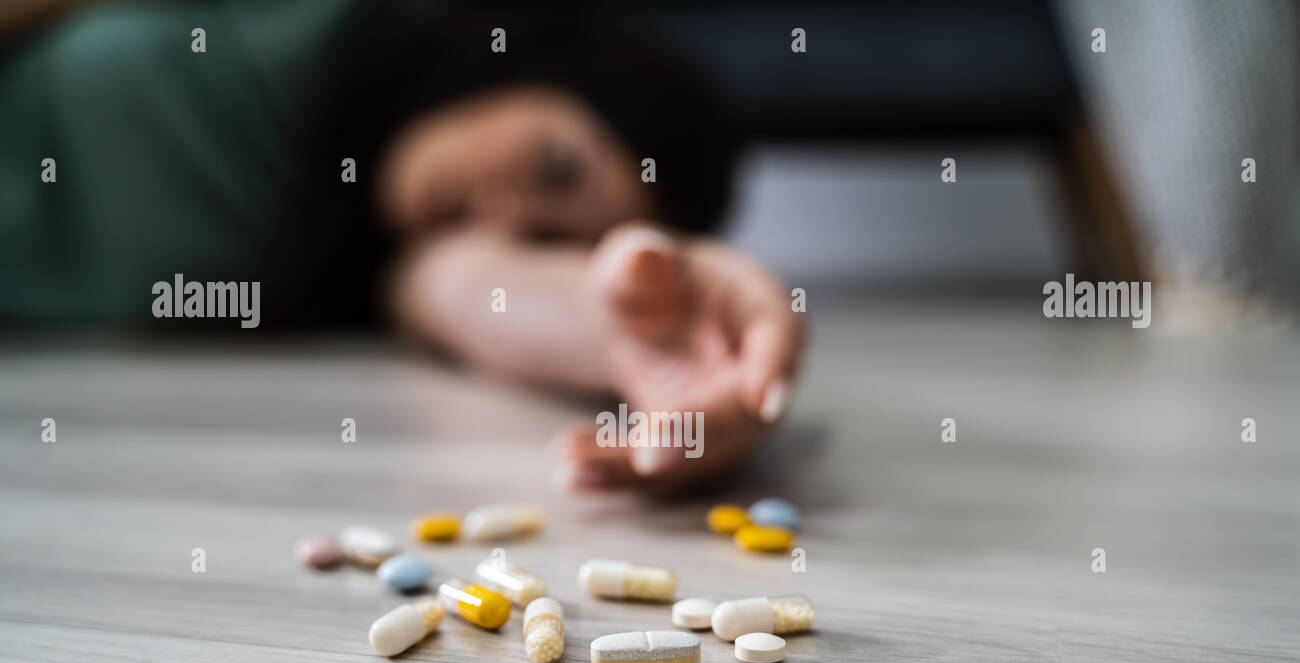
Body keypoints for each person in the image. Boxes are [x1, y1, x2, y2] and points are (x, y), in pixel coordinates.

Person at [0, 0, 806, 491]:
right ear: (526, 63)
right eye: (554, 169)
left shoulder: (398, 262)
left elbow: (480, 289)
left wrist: (636, 325)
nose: (503, 218)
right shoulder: (319, 25)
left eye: (552, 241)